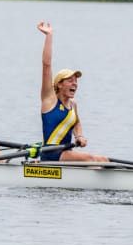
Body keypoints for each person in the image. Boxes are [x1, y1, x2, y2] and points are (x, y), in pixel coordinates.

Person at [37, 21, 108, 163]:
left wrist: (79, 136)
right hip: (51, 154)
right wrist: (49, 35)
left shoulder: (73, 104)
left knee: (104, 159)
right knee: (90, 159)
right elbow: (46, 65)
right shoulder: (49, 100)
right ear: (59, 84)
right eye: (70, 80)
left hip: (66, 153)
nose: (74, 83)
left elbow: (76, 123)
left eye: (76, 81)